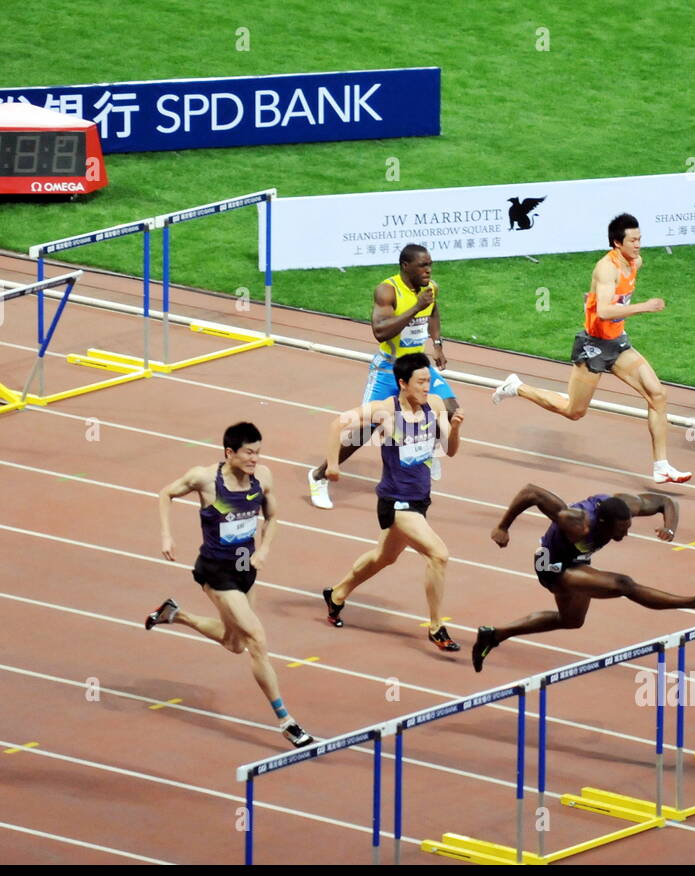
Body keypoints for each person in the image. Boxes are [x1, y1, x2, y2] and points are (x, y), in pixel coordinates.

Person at [145, 422, 315, 749]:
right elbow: (166, 493)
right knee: (256, 638)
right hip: (215, 572)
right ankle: (286, 721)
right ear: (229, 453)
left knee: (235, 644)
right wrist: (167, 534)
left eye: (258, 452)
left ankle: (176, 615)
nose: (255, 458)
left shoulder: (263, 477)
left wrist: (264, 549)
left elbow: (274, 516)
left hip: (245, 570)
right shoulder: (204, 478)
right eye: (248, 453)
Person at [491, 213, 692, 484]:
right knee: (574, 411)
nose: (638, 245)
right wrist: (644, 306)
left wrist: (594, 299)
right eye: (633, 240)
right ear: (616, 243)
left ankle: (661, 466)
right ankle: (517, 387)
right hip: (594, 346)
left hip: (618, 344)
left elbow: (608, 299)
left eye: (640, 239)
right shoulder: (605, 268)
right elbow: (607, 310)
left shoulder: (635, 263)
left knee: (658, 395)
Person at [471, 483, 695, 672]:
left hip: (577, 560)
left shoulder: (625, 506)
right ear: (602, 523)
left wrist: (669, 527)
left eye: (628, 528)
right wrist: (503, 527)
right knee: (623, 585)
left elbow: (665, 501)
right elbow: (531, 493)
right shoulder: (577, 521)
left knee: (571, 620)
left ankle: (494, 635)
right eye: (620, 531)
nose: (625, 535)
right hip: (551, 565)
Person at [320, 352, 465, 652]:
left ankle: (337, 593)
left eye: (430, 381)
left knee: (384, 557)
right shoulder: (384, 411)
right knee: (438, 555)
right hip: (395, 502)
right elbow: (337, 424)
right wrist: (332, 465)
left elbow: (449, 451)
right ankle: (436, 627)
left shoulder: (435, 406)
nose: (428, 388)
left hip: (420, 500)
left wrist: (457, 428)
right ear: (403, 383)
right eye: (422, 382)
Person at [309, 244, 460, 508]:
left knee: (448, 409)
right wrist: (415, 307)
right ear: (405, 266)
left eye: (430, 265)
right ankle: (320, 476)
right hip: (388, 368)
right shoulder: (387, 291)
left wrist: (437, 345)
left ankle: (431, 452)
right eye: (423, 266)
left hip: (419, 366)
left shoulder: (430, 289)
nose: (428, 270)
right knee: (364, 430)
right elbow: (380, 332)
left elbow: (433, 313)